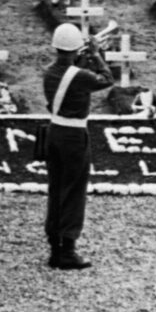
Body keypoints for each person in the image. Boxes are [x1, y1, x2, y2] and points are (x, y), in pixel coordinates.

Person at [41, 21, 115, 271]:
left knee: (56, 188)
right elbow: (107, 79)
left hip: (53, 132)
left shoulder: (49, 72)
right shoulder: (80, 75)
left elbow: (70, 78)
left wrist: (83, 58)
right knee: (74, 191)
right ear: (76, 49)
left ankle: (54, 247)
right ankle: (68, 251)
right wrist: (95, 54)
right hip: (74, 135)